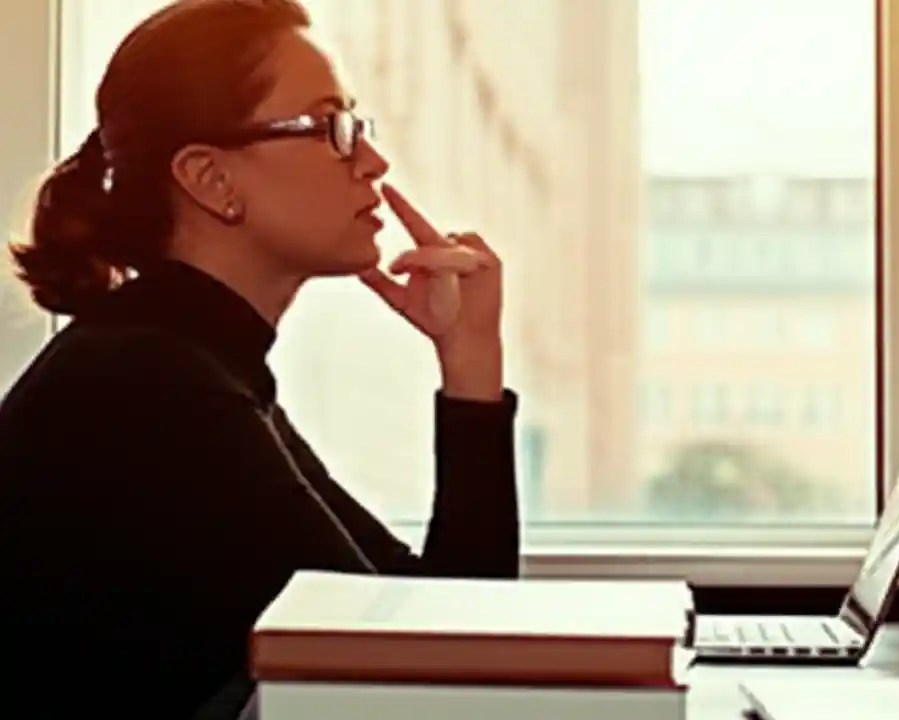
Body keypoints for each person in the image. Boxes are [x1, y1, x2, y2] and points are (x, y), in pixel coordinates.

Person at [0, 1, 519, 716]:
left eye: (356, 126)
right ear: (212, 180)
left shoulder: (191, 362)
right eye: (328, 128)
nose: (372, 160)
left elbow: (445, 638)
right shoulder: (150, 387)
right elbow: (419, 690)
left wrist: (470, 364)